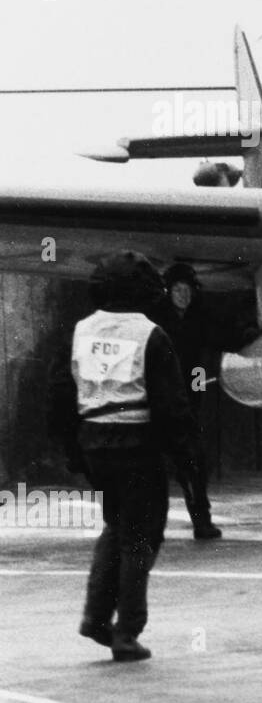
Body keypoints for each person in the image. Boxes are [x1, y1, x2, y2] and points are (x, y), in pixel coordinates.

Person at [48, 251, 202, 662]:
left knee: (116, 526)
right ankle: (127, 631)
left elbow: (62, 393)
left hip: (94, 442)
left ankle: (97, 617)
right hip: (138, 443)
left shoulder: (80, 331)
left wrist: (73, 450)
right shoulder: (150, 334)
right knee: (141, 536)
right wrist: (185, 457)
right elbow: (172, 406)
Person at [149, 263, 226, 539]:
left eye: (188, 290)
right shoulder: (155, 320)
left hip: (186, 404)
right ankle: (151, 526)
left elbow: (219, 336)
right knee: (153, 468)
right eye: (178, 289)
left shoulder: (197, 319)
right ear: (169, 292)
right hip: (158, 404)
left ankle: (201, 521)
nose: (184, 295)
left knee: (193, 464)